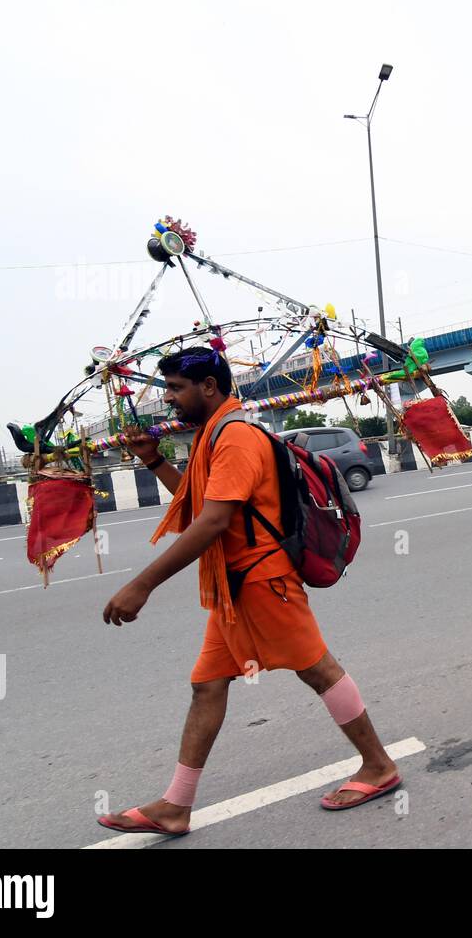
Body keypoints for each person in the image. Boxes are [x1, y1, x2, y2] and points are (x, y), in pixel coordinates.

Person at [96, 347, 400, 836]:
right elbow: (200, 503)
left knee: (319, 671)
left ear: (209, 387)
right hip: (234, 586)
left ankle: (379, 766)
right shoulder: (211, 436)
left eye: (176, 388)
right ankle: (176, 805)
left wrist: (142, 585)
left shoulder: (235, 437)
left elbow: (213, 522)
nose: (168, 399)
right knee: (208, 684)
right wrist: (153, 460)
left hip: (263, 581)